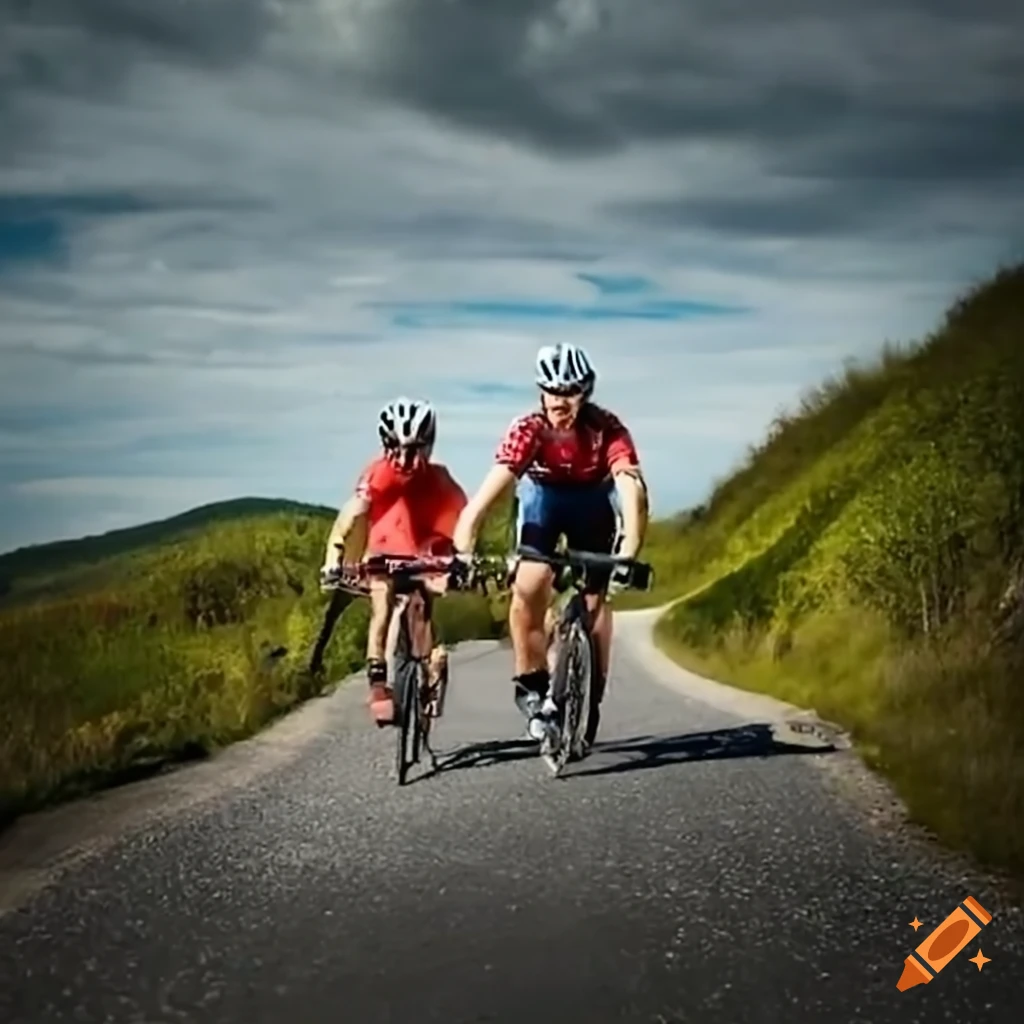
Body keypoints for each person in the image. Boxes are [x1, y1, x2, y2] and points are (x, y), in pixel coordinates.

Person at [452, 342, 649, 755]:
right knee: (531, 581)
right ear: (541, 391)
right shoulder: (529, 429)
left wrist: (628, 552)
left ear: (585, 393)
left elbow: (631, 489)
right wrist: (465, 543)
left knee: (595, 603)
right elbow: (494, 489)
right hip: (544, 500)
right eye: (553, 391)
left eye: (571, 392)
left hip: (592, 504)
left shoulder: (606, 427)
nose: (561, 400)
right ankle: (531, 681)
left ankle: (590, 695)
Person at [321, 397, 467, 726]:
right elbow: (353, 512)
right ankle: (378, 686)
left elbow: (464, 518)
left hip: (425, 552)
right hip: (384, 551)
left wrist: (462, 560)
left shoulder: (440, 478)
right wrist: (336, 557)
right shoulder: (378, 472)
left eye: (415, 449)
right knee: (382, 608)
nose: (404, 459)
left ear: (429, 446)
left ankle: (432, 668)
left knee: (423, 614)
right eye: (394, 448)